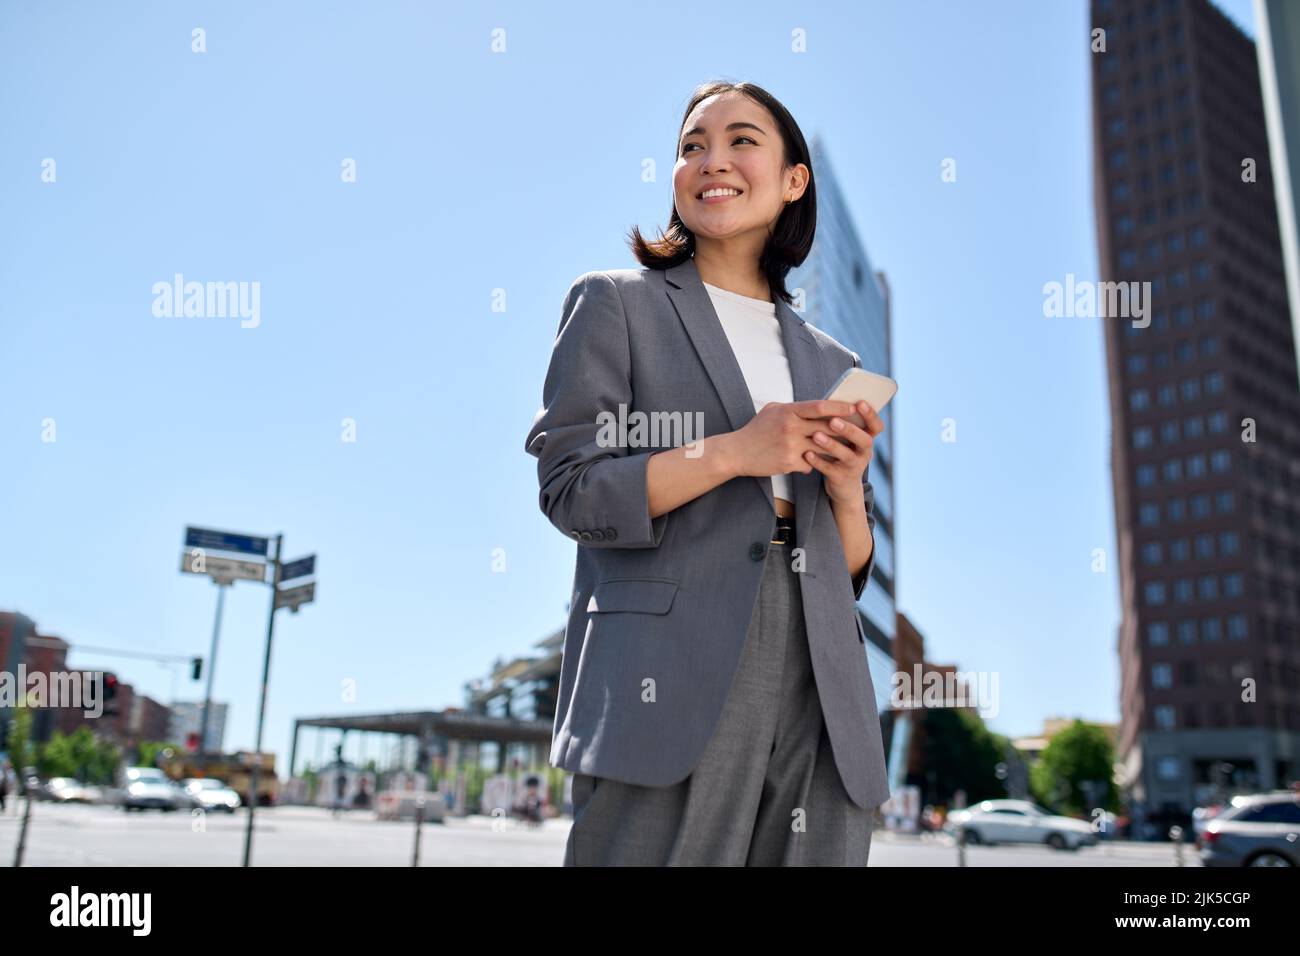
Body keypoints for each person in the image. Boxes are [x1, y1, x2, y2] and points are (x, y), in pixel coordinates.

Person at [524, 80, 890, 866]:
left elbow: (848, 567)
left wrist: (848, 493)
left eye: (741, 140)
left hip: (824, 678)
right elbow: (572, 490)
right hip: (669, 672)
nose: (710, 160)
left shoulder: (835, 362)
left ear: (794, 180)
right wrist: (733, 452)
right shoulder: (617, 304)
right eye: (693, 146)